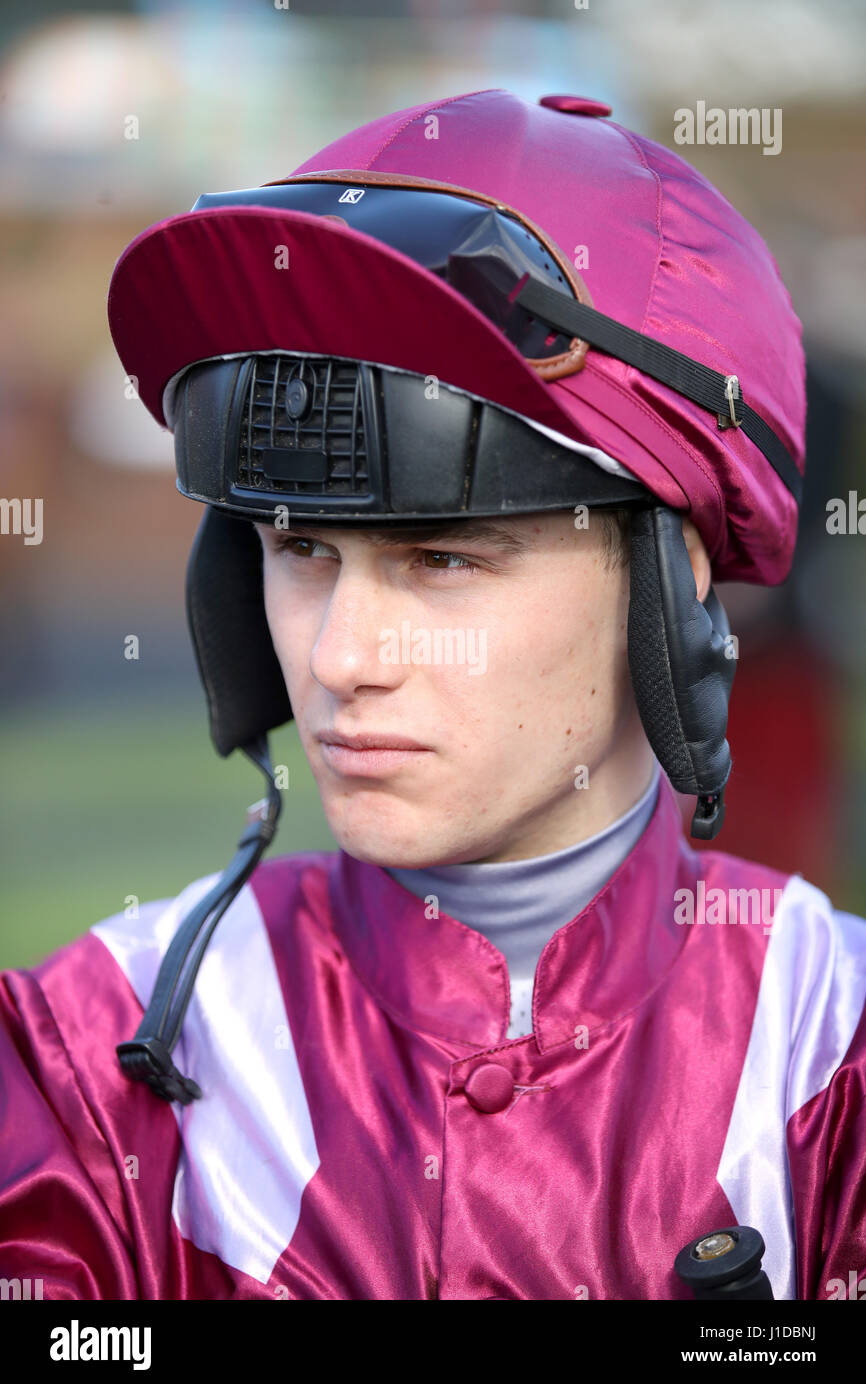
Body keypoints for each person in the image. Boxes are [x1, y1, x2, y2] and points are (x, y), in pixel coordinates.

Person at [1, 88, 864, 1302]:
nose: (341, 658)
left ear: (672, 583)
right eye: (302, 552)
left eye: (443, 560)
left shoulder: (836, 1057)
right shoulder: (79, 1059)